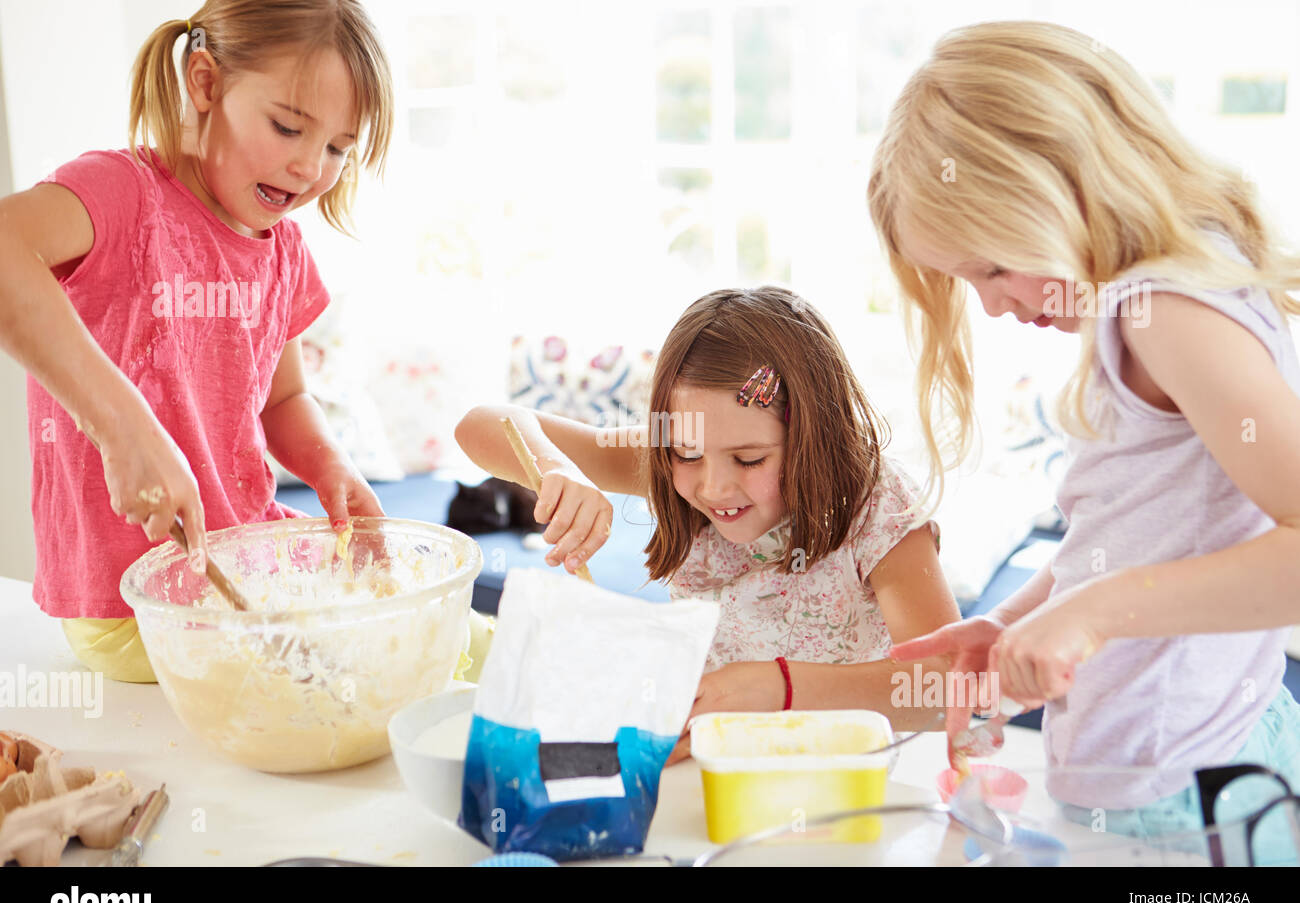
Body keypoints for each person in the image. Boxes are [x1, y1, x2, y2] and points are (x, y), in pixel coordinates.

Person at [872, 21, 1300, 855]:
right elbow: (1147, 530)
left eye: (991, 266)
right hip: (1172, 773)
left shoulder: (1164, 311)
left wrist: (1093, 616)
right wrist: (1015, 619)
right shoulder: (1158, 299)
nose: (991, 304)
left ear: (1065, 182)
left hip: (1186, 792)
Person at [0, 0, 394, 681]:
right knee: (350, 673)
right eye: (288, 128)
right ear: (206, 84)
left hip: (238, 563)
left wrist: (331, 466)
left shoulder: (283, 252)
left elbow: (282, 399)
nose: (310, 168)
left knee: (440, 638)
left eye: (336, 149)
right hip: (127, 605)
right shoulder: (123, 194)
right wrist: (124, 428)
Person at [456, 286, 961, 760]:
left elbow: (946, 686)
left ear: (814, 439)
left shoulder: (877, 506)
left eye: (749, 459)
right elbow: (480, 423)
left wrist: (778, 688)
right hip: (717, 766)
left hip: (841, 783)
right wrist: (556, 468)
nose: (714, 487)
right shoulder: (668, 457)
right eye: (687, 453)